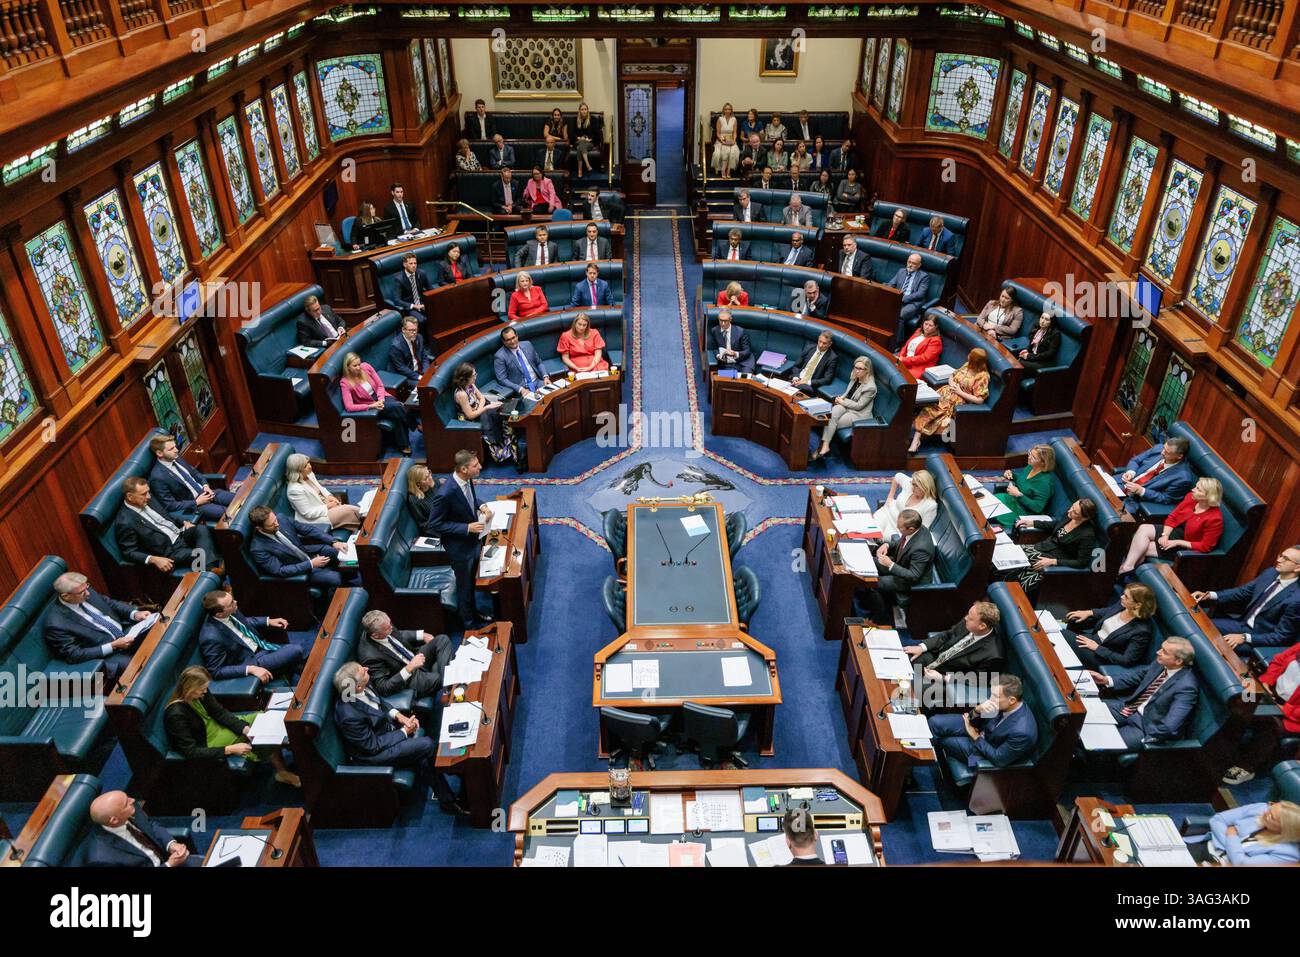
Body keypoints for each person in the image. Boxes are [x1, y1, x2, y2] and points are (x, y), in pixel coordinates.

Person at [332, 661, 467, 816]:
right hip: (374, 755)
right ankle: (460, 771)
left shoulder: (359, 686)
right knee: (427, 745)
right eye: (363, 671)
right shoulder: (349, 716)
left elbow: (380, 702)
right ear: (358, 687)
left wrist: (401, 717)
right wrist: (404, 731)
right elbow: (372, 746)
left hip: (385, 734)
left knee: (423, 757)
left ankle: (448, 800)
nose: (367, 669)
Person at [164, 666, 299, 786]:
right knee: (264, 736)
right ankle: (285, 769)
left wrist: (244, 728)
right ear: (189, 689)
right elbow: (191, 752)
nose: (205, 692)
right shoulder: (175, 715)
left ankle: (282, 770)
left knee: (261, 719)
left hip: (219, 725)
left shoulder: (201, 694)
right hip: (209, 740)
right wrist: (230, 749)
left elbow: (220, 713)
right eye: (201, 689)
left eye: (205, 688)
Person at [1089, 637, 1199, 748]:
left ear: (1178, 661)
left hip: (1145, 727)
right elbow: (1137, 676)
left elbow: (1170, 725)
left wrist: (1150, 738)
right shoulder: (1160, 663)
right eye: (1161, 648)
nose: (1158, 652)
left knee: (1098, 742)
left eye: (1164, 652)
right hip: (1129, 708)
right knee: (1085, 712)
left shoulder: (1187, 687)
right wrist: (1105, 680)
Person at [1192, 545, 1300, 658]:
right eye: (1281, 555)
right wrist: (1210, 595)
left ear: (1297, 568)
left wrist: (1244, 637)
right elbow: (1243, 592)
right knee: (1199, 625)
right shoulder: (1270, 573)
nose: (1279, 560)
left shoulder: (1296, 599)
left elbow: (1280, 637)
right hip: (1241, 624)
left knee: (1216, 646)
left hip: (1258, 639)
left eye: (1286, 559)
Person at [44, 571, 152, 683]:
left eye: (87, 587)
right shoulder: (56, 624)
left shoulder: (84, 590)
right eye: (82, 592)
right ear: (66, 596)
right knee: (141, 671)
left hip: (126, 632)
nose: (88, 593)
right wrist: (113, 646)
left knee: (160, 634)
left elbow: (110, 603)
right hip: (108, 655)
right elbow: (74, 655)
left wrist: (134, 613)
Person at [430, 450, 494, 629]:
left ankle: (475, 613)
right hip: (459, 549)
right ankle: (469, 624)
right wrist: (466, 528)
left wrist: (481, 505)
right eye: (475, 466)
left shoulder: (466, 480)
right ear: (464, 469)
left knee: (472, 581)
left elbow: (469, 500)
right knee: (464, 587)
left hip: (473, 541)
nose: (480, 467)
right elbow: (434, 524)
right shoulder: (445, 493)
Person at [927, 674, 1038, 769]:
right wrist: (977, 709)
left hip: (981, 756)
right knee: (934, 722)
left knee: (944, 740)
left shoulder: (1023, 733)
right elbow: (971, 718)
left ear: (1012, 700)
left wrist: (975, 736)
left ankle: (922, 763)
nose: (991, 700)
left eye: (995, 696)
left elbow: (999, 759)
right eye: (992, 694)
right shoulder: (1001, 704)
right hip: (978, 730)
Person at [1117, 478, 1224, 575]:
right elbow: (1173, 516)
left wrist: (1177, 542)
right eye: (1196, 486)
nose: (1193, 489)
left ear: (1207, 496)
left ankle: (1123, 571)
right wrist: (1165, 535)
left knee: (1142, 548)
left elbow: (1205, 546)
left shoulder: (1215, 519)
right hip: (1176, 531)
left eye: (1198, 489)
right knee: (1143, 529)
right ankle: (1127, 568)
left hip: (1187, 544)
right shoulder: (1190, 497)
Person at [998, 498, 1099, 600]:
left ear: (1085, 518)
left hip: (1055, 558)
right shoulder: (1069, 515)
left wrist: (1054, 561)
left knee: (1021, 560)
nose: (1069, 511)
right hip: (1043, 547)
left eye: (1075, 512)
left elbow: (1081, 562)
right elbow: (1055, 525)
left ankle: (1011, 595)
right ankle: (999, 584)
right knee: (1014, 553)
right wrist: (1032, 523)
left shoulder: (1087, 535)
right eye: (1072, 506)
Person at [116, 475, 219, 574]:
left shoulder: (147, 500)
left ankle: (206, 572)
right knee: (201, 553)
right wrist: (153, 559)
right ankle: (211, 572)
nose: (148, 496)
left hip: (181, 534)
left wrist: (183, 522)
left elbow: (165, 515)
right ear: (130, 496)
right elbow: (129, 552)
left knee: (201, 529)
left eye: (148, 492)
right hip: (170, 551)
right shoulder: (125, 521)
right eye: (143, 494)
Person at [199, 588, 305, 683]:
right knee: (297, 650)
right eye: (231, 603)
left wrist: (268, 621)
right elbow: (217, 671)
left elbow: (244, 622)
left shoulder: (230, 609)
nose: (235, 602)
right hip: (251, 661)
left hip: (262, 647)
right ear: (219, 614)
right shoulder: (210, 637)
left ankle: (311, 679)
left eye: (233, 599)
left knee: (295, 662)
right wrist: (250, 669)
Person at [248, 505, 358, 591]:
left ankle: (355, 580)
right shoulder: (258, 548)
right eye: (272, 525)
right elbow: (280, 571)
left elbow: (308, 529)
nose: (277, 524)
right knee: (335, 579)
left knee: (334, 551)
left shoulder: (281, 519)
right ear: (260, 528)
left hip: (306, 553)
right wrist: (310, 564)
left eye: (275, 520)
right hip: (299, 571)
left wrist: (333, 541)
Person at [357, 609, 453, 699]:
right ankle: (448, 682)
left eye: (390, 624)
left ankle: (448, 679)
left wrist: (421, 635)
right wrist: (409, 668)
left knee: (442, 639)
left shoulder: (384, 625)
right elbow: (383, 688)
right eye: (387, 629)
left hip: (415, 657)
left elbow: (398, 635)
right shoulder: (369, 656)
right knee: (439, 678)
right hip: (409, 678)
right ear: (375, 635)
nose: (391, 628)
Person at [84, 791, 196, 867]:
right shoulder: (103, 858)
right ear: (114, 820)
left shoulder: (130, 809)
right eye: (126, 803)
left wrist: (171, 844)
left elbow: (150, 826)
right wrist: (169, 865)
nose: (132, 800)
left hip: (168, 859)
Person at [908, 348, 989, 453]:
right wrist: (952, 384)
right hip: (945, 392)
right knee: (925, 404)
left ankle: (916, 441)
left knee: (930, 411)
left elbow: (979, 400)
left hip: (958, 401)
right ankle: (917, 438)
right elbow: (952, 375)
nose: (968, 356)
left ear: (976, 361)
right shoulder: (967, 365)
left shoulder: (982, 377)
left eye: (971, 356)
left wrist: (960, 392)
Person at [862, 508, 935, 624]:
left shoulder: (922, 549)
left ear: (911, 529)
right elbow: (901, 542)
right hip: (901, 564)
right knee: (871, 563)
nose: (897, 528)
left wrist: (890, 565)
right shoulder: (915, 529)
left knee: (875, 582)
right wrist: (887, 545)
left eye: (900, 527)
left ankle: (879, 620)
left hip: (909, 581)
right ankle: (862, 598)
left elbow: (914, 576)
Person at [1063, 582, 1156, 671]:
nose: (1121, 597)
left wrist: (1097, 648)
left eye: (1126, 597)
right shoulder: (1123, 605)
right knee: (1067, 630)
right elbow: (1108, 611)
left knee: (1063, 636)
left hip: (1101, 656)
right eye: (1124, 594)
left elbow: (1127, 660)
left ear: (1138, 605)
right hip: (1092, 639)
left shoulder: (1142, 630)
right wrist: (1089, 612)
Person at [905, 600, 1004, 678]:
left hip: (946, 680)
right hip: (936, 657)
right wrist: (922, 647)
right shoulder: (969, 622)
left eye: (970, 618)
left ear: (982, 626)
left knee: (909, 691)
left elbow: (977, 679)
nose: (965, 618)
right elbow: (948, 634)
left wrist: (943, 678)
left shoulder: (993, 656)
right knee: (905, 660)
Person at [148, 434, 233, 523]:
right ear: (159, 453)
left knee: (238, 500)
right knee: (229, 514)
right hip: (196, 505)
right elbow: (170, 505)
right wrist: (196, 502)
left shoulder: (177, 458)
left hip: (207, 493)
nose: (176, 450)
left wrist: (205, 485)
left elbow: (195, 473)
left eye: (175, 447)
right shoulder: (157, 478)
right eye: (171, 449)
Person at [339, 351, 412, 454]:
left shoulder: (366, 367)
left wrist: (381, 399)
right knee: (398, 406)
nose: (358, 367)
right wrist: (371, 406)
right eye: (354, 366)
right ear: (347, 367)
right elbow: (349, 407)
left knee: (397, 414)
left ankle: (404, 444)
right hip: (371, 406)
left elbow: (380, 385)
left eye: (359, 364)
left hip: (381, 397)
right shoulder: (345, 382)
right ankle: (415, 426)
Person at [452, 362, 522, 469]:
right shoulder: (461, 394)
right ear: (466, 378)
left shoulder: (471, 385)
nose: (476, 376)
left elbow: (482, 398)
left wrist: (481, 408)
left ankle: (514, 452)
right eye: (474, 375)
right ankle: (502, 454)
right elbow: (470, 415)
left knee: (504, 416)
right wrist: (485, 408)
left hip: (479, 412)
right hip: (470, 420)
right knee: (493, 416)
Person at [1184, 802, 1300, 865]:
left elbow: (1241, 863)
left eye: (1272, 817)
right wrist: (1230, 847)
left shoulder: (1288, 854)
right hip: (1209, 846)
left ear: (1284, 829)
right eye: (1270, 808)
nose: (1265, 813)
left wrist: (1232, 835)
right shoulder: (1261, 808)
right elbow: (1218, 819)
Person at [810, 357, 875, 463]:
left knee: (833, 423)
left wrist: (842, 402)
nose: (857, 370)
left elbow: (859, 406)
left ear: (867, 370)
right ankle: (825, 445)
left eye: (860, 369)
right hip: (847, 405)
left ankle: (822, 446)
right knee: (830, 416)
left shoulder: (870, 387)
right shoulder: (855, 377)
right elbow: (848, 392)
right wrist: (840, 398)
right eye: (856, 367)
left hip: (859, 413)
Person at [1114, 435, 1196, 515]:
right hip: (1121, 482)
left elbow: (1166, 498)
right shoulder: (1158, 448)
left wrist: (1141, 491)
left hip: (1134, 499)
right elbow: (1136, 460)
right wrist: (1130, 472)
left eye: (1167, 452)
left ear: (1179, 456)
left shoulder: (1183, 478)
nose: (1162, 452)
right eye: (1164, 448)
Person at [285, 452, 362, 532]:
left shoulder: (309, 474)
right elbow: (308, 513)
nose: (309, 466)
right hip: (315, 518)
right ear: (298, 470)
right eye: (305, 466)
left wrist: (329, 496)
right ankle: (367, 525)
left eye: (308, 462)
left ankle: (366, 526)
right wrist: (329, 506)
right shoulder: (294, 490)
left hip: (324, 504)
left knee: (351, 512)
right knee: (348, 510)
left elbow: (320, 488)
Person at [993, 443, 1057, 520]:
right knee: (989, 503)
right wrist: (1011, 474)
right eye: (1030, 453)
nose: (1029, 457)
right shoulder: (1031, 466)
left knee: (990, 511)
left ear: (1043, 462)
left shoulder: (1044, 482)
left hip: (1023, 511)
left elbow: (1038, 507)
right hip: (1013, 500)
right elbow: (1022, 480)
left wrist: (1019, 495)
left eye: (1033, 457)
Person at [494, 325, 550, 398]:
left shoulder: (527, 345)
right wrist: (520, 389)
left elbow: (538, 363)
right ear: (504, 342)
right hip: (522, 389)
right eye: (508, 340)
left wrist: (545, 377)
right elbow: (502, 379)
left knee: (554, 396)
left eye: (513, 337)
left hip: (538, 382)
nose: (512, 341)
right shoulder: (500, 356)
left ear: (517, 336)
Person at [873, 470, 939, 530]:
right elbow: (897, 476)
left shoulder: (930, 505)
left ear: (925, 487)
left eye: (916, 486)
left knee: (874, 537)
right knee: (868, 529)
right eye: (912, 484)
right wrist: (890, 497)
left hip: (897, 529)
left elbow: (923, 529)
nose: (912, 488)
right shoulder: (911, 484)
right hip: (885, 513)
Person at [889, 253, 931, 347]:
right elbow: (891, 284)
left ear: (919, 265)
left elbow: (921, 294)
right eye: (909, 262)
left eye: (914, 263)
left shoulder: (924, 276)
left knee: (899, 315)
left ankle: (897, 344)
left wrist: (903, 298)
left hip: (913, 303)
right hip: (897, 299)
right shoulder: (901, 271)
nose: (910, 265)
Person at [388, 315, 433, 390]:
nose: (414, 333)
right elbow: (401, 368)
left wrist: (426, 372)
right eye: (411, 330)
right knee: (426, 387)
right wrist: (419, 377)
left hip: (420, 371)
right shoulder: (396, 346)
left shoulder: (419, 337)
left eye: (416, 329)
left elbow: (424, 356)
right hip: (406, 376)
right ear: (403, 330)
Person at [392, 253, 432, 333]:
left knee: (438, 314)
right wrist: (414, 306)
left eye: (415, 263)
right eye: (411, 263)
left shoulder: (421, 274)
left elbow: (430, 289)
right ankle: (424, 341)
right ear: (405, 264)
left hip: (422, 303)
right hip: (409, 307)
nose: (414, 266)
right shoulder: (399, 279)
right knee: (422, 320)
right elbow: (397, 300)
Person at [789, 331, 838, 395]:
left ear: (830, 344)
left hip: (809, 385)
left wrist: (807, 382)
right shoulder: (809, 348)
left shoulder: (832, 358)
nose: (820, 345)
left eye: (824, 343)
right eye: (820, 341)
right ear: (818, 338)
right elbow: (796, 366)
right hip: (797, 379)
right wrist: (796, 377)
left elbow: (827, 379)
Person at [709, 309, 754, 374]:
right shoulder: (715, 331)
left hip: (744, 362)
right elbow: (714, 348)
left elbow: (747, 351)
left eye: (725, 321)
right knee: (728, 381)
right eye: (721, 320)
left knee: (745, 381)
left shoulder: (740, 331)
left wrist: (735, 354)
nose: (723, 324)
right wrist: (718, 356)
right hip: (727, 364)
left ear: (730, 319)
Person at [407, 463, 438, 535]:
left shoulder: (435, 481)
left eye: (429, 473)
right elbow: (424, 525)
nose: (430, 477)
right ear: (418, 484)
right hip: (438, 528)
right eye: (426, 478)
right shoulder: (414, 500)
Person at [572, 102, 602, 175]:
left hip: (589, 143)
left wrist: (590, 139)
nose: (584, 111)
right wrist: (578, 138)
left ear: (587, 110)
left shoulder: (593, 119)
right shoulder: (575, 120)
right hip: (578, 141)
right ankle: (587, 165)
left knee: (580, 148)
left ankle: (580, 171)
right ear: (579, 111)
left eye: (585, 109)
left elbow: (597, 133)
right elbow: (571, 133)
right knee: (581, 142)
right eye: (582, 109)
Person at [712, 102, 740, 176]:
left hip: (731, 140)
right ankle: (723, 170)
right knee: (722, 152)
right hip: (721, 140)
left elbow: (735, 132)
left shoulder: (734, 119)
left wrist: (734, 140)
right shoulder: (720, 119)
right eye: (726, 109)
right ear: (723, 110)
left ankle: (729, 171)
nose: (727, 111)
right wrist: (721, 140)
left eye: (729, 109)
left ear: (731, 110)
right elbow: (717, 133)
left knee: (734, 152)